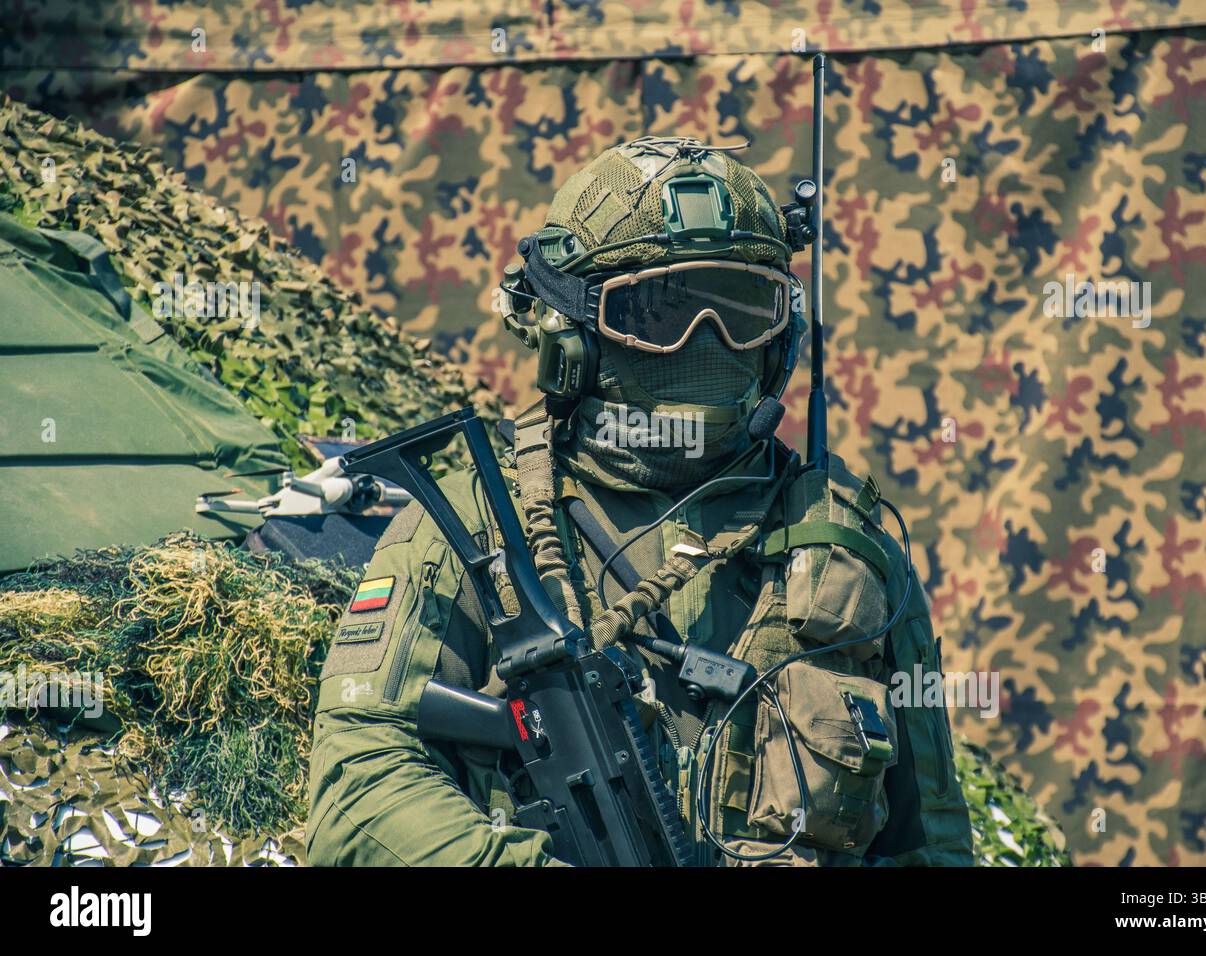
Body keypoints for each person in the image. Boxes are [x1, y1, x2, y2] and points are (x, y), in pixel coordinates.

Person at [306, 137, 973, 866]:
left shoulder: (850, 553)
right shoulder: (472, 525)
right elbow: (359, 787)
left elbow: (930, 845)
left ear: (781, 339)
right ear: (572, 332)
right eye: (658, 314)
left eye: (740, 312)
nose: (706, 345)